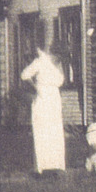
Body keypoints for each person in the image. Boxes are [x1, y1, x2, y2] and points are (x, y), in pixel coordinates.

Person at [20, 45, 67, 175]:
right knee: (43, 132)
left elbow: (61, 81)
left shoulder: (59, 66)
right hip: (42, 99)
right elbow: (24, 75)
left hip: (54, 100)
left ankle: (55, 165)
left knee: (55, 132)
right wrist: (35, 87)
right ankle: (42, 167)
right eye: (58, 56)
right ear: (53, 53)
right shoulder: (40, 62)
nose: (59, 59)